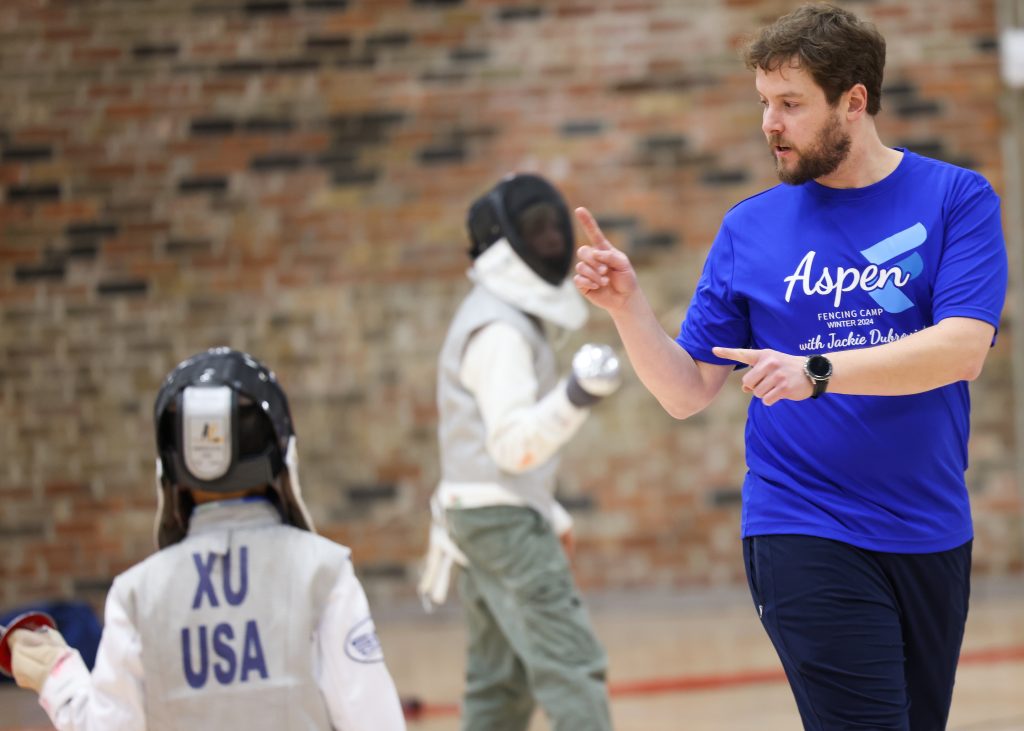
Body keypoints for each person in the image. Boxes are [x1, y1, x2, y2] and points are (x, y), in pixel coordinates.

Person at [574, 4, 1008, 730]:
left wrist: (818, 368)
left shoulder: (955, 200)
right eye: (764, 103)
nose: (769, 124)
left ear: (854, 101)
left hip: (930, 529)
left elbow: (961, 349)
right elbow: (685, 391)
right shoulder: (750, 228)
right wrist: (627, 308)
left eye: (790, 104)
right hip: (802, 521)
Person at [8, 347, 407, 731]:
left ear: (171, 471)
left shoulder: (136, 594)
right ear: (280, 454)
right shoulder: (324, 572)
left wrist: (56, 672)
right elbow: (375, 722)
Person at [418, 172, 621, 731]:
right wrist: (577, 395)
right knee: (571, 667)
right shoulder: (499, 330)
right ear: (506, 242)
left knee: (500, 684)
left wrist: (548, 512)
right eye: (536, 229)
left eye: (553, 226)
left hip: (480, 515)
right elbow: (510, 446)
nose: (552, 238)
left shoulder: (499, 316)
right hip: (501, 525)